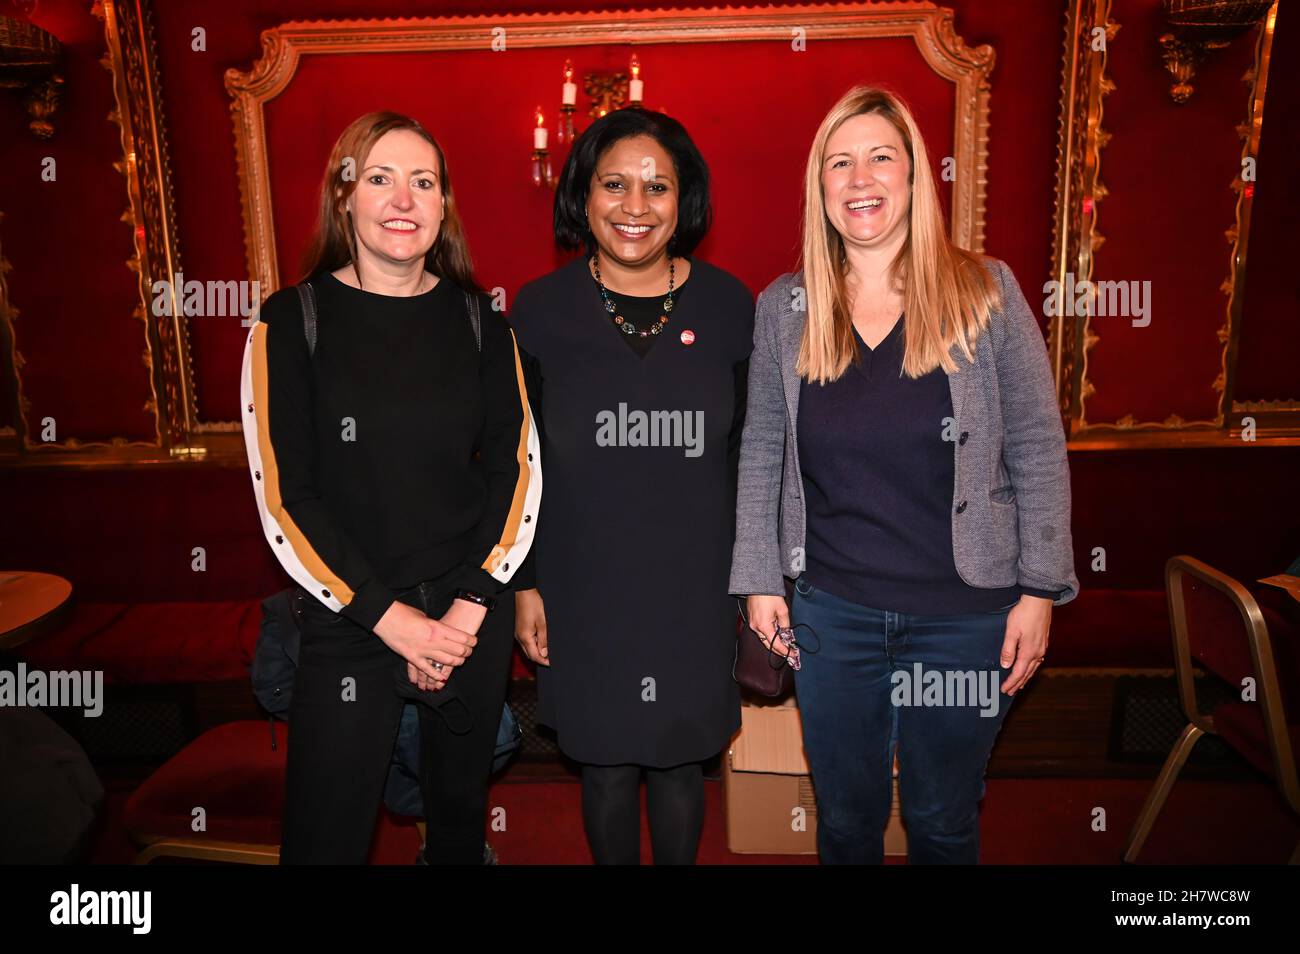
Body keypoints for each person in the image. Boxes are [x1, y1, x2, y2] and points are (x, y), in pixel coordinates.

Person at [729, 86, 1079, 864]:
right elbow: (760, 451)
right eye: (840, 162)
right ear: (820, 187)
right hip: (832, 616)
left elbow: (1035, 445)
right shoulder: (784, 309)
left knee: (942, 818)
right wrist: (758, 583)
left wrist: (1040, 590)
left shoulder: (987, 292)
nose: (861, 178)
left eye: (881, 157)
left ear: (916, 178)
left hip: (967, 617)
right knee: (847, 822)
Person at [240, 110, 539, 864]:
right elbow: (286, 500)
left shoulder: (482, 322)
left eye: (423, 182)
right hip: (350, 617)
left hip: (471, 611)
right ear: (344, 197)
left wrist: (470, 607)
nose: (403, 199)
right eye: (379, 178)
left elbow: (517, 474)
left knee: (459, 829)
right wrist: (390, 619)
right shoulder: (290, 321)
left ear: (443, 207)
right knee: (324, 838)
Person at [509, 108, 753, 864]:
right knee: (606, 762)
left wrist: (756, 583)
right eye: (614, 184)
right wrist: (527, 584)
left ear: (687, 202)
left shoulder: (731, 306)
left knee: (682, 761)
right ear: (583, 196)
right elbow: (520, 461)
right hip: (586, 585)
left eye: (658, 186)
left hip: (698, 585)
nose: (636, 206)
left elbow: (754, 453)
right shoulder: (538, 311)